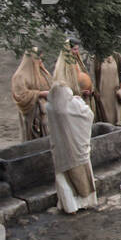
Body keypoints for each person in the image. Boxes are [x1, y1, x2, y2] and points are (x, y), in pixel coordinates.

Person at [46, 84, 98, 214]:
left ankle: (70, 207)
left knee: (63, 179)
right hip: (75, 147)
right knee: (81, 177)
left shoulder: (50, 107)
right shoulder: (73, 104)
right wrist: (79, 99)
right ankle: (85, 203)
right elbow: (88, 114)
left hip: (60, 149)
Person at [10, 48, 52, 140]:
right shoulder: (20, 76)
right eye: (38, 59)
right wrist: (39, 94)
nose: (40, 61)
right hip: (33, 113)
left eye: (41, 59)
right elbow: (20, 96)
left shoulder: (43, 72)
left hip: (46, 112)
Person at [96, 52, 121, 127]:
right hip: (103, 89)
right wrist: (95, 89)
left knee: (116, 108)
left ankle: (118, 126)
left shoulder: (117, 56)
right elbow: (93, 73)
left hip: (115, 88)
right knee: (105, 109)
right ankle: (107, 127)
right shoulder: (96, 57)